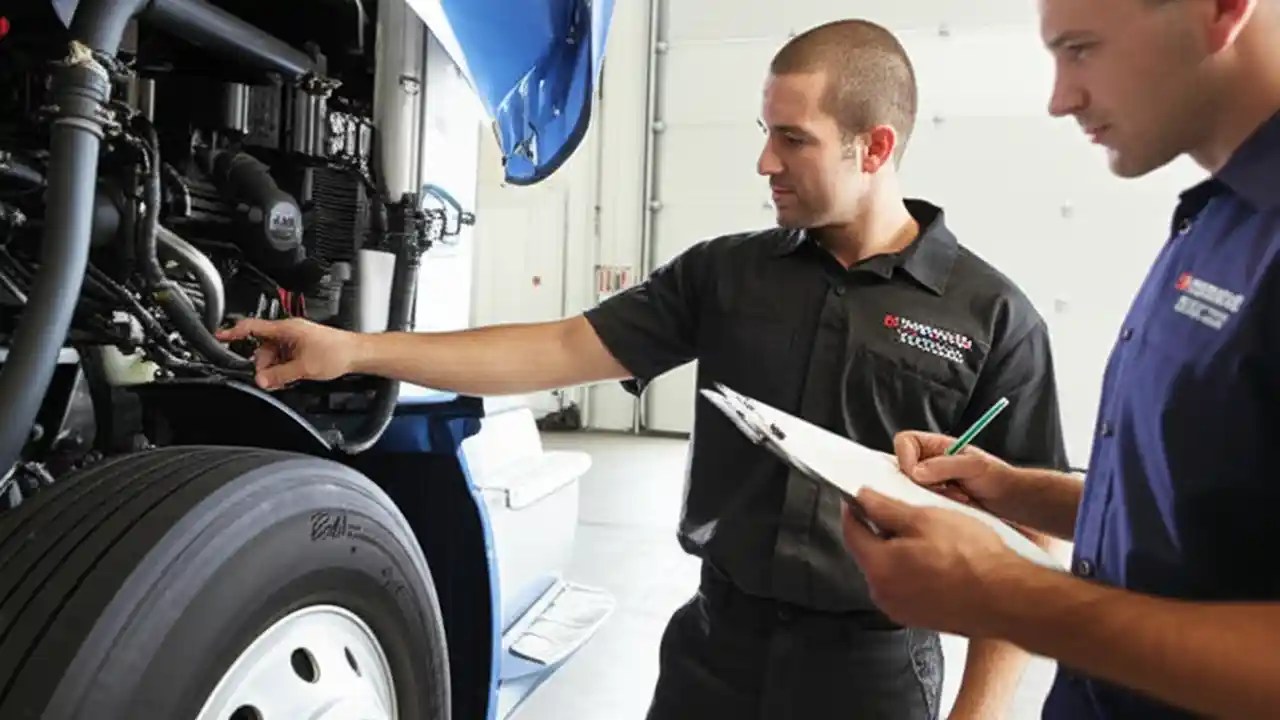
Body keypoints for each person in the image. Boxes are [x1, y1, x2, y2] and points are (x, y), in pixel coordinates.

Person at [218, 19, 1070, 720]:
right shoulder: (728, 274)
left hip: (874, 677)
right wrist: (359, 350)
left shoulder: (991, 319)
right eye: (763, 133)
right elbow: (554, 349)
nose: (765, 163)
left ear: (874, 147)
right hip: (713, 655)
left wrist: (977, 718)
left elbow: (1027, 547)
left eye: (793, 139)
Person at [840, 0, 1280, 718]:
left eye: (1081, 49)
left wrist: (1010, 596)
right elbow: (1213, 516)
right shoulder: (1220, 216)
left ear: (1223, 9)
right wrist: (1016, 492)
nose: (1059, 98)